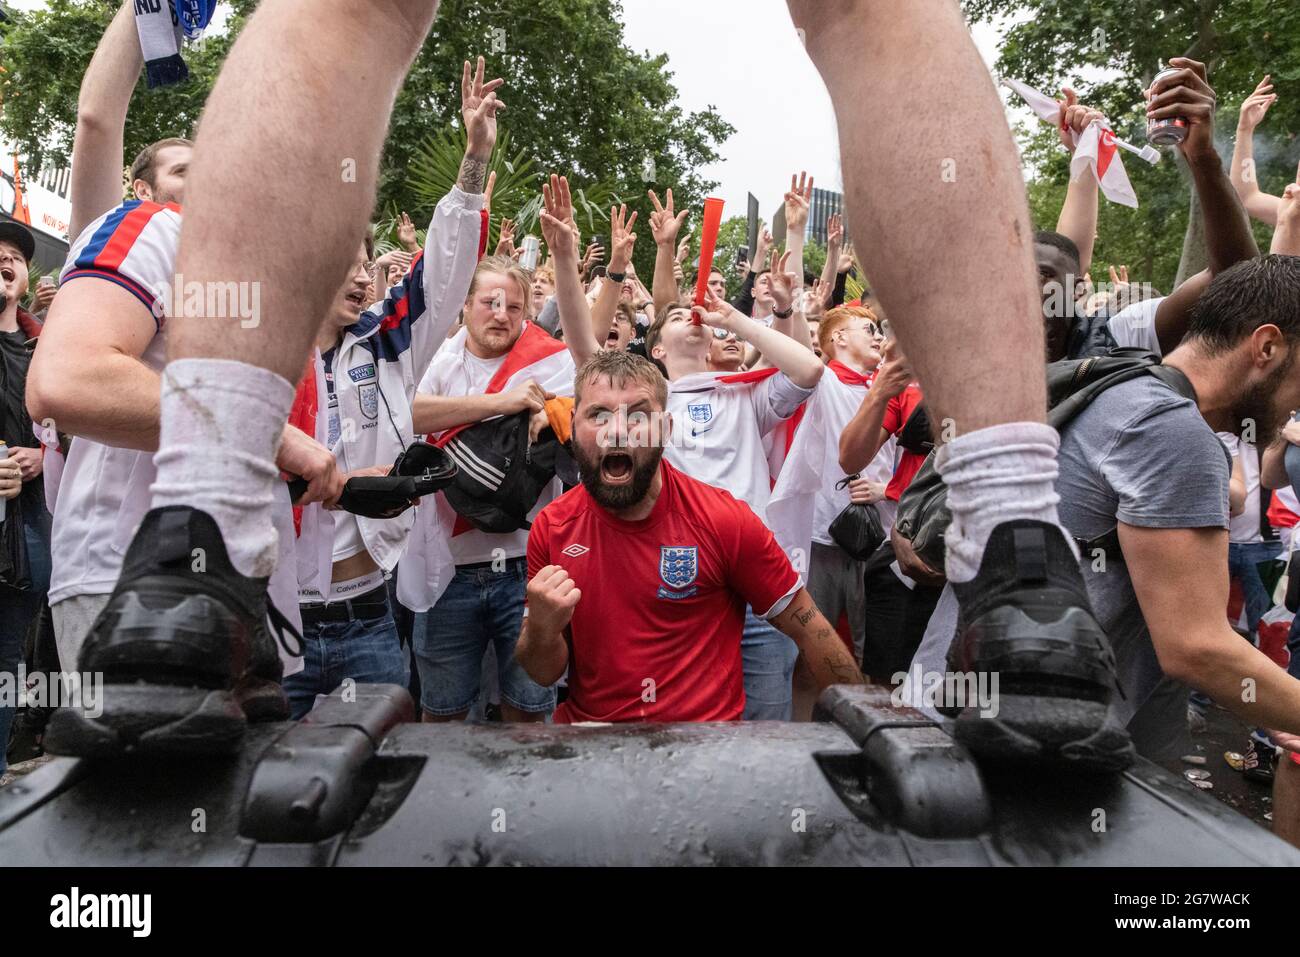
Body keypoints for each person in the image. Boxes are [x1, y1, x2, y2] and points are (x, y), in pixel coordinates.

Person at [33, 0, 450, 756]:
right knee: (143, 828)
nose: (228, 174)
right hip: (129, 582)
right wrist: (145, 16)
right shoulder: (142, 230)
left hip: (246, 594)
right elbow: (66, 381)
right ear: (143, 188)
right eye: (196, 167)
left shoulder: (268, 300)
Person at [284, 62, 491, 719]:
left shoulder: (388, 339)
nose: (355, 274)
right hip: (274, 622)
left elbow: (449, 265)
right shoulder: (261, 356)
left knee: (373, 792)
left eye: (362, 259)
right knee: (262, 798)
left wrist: (475, 158)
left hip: (368, 618)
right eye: (338, 258)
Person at [515, 349, 864, 721]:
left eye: (637, 416)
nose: (617, 431)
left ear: (667, 429)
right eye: (598, 414)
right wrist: (541, 629)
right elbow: (543, 671)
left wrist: (874, 735)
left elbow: (812, 632)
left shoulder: (723, 519)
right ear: (572, 426)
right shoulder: (552, 527)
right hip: (594, 743)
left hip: (702, 752)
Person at [400, 255, 569, 724]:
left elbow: (584, 406)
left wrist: (553, 413)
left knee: (530, 709)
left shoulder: (551, 361)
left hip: (528, 567)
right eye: (490, 302)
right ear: (465, 305)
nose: (501, 314)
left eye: (514, 307)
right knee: (443, 710)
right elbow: (406, 414)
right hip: (446, 569)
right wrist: (503, 403)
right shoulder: (435, 356)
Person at [0, 220, 51, 777]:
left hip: (25, 539)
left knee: (7, 660)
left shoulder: (48, 349)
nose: (3, 260)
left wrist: (43, 454)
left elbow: (73, 426)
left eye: (12, 255)